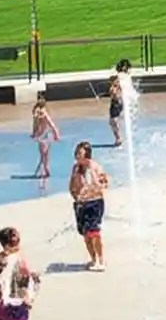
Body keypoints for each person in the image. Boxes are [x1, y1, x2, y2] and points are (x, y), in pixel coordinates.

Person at [68, 141, 109, 271]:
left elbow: (105, 183)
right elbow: (72, 184)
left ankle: (101, 260)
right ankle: (93, 259)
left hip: (94, 202)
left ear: (87, 155)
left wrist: (94, 189)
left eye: (80, 153)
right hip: (81, 203)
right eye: (76, 153)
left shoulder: (95, 167)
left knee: (94, 232)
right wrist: (75, 195)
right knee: (86, 234)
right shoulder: (75, 168)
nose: (77, 156)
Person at [30, 95, 60, 178]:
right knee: (45, 154)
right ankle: (45, 169)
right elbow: (51, 124)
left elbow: (35, 125)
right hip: (45, 134)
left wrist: (34, 133)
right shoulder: (43, 113)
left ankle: (44, 170)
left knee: (43, 154)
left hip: (42, 135)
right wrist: (56, 133)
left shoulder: (37, 113)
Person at [107, 74, 124, 147]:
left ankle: (118, 138)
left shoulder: (113, 88)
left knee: (112, 122)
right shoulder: (119, 87)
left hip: (115, 106)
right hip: (118, 105)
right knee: (113, 122)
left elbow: (114, 96)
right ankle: (118, 137)